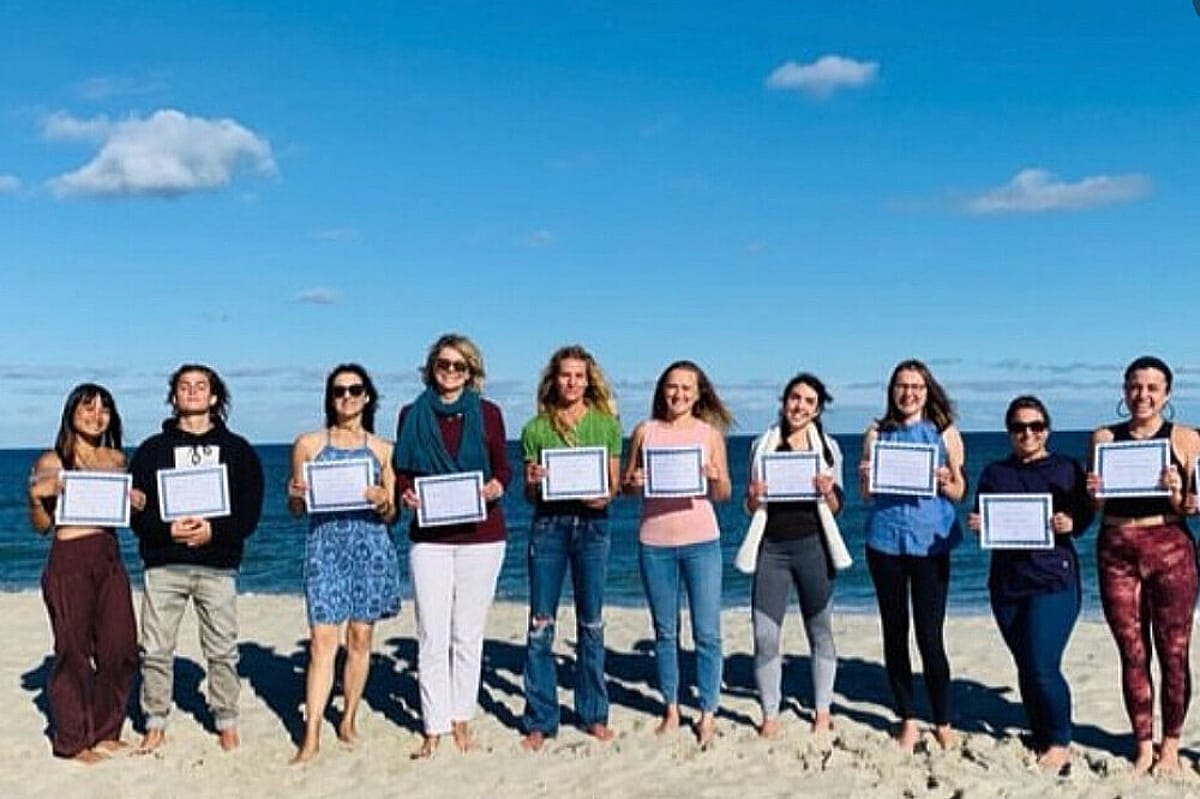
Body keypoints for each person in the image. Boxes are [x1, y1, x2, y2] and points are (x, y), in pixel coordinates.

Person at [129, 364, 265, 752]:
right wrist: (166, 530)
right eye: (184, 386)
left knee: (222, 649)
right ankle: (155, 720)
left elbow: (249, 511)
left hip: (217, 565)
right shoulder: (151, 451)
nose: (192, 391)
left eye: (200, 386)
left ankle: (226, 719)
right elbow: (136, 512)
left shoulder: (238, 450)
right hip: (164, 563)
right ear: (174, 397)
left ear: (214, 396)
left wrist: (214, 532)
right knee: (156, 649)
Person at [394, 334, 512, 759]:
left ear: (471, 371)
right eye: (443, 364)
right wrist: (405, 494)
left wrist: (496, 486)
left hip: (482, 536)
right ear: (431, 368)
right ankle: (434, 726)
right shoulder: (411, 414)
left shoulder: (489, 413)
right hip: (430, 539)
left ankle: (461, 718)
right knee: (431, 635)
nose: (450, 372)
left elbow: (503, 469)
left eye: (459, 366)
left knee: (467, 634)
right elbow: (402, 470)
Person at [966, 396, 1092, 772]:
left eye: (1036, 426)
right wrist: (979, 524)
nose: (1028, 433)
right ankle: (1039, 732)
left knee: (1042, 664)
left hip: (1053, 579)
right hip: (1006, 582)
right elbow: (984, 516)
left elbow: (1085, 514)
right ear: (1009, 432)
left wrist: (1072, 522)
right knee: (1025, 663)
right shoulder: (995, 472)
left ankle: (1060, 740)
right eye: (1019, 427)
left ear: (1047, 430)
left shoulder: (1067, 468)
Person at [1088, 356, 1200, 775]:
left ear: (1167, 394)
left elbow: (1192, 506)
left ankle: (1170, 744)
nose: (1143, 395)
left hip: (1169, 545)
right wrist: (1093, 493)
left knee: (1174, 652)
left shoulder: (1186, 437)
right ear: (1124, 390)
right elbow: (1096, 506)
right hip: (1116, 547)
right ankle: (1142, 745)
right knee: (1132, 653)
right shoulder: (1103, 437)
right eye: (1135, 386)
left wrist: (1179, 492)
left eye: (1153, 388)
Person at [286, 364, 402, 763]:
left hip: (370, 548)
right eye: (339, 391)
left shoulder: (384, 449)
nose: (347, 397)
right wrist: (295, 495)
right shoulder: (308, 444)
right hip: (325, 548)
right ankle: (312, 733)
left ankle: (349, 717)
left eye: (354, 390)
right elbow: (297, 509)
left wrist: (384, 502)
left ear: (367, 397)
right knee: (322, 642)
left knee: (360, 638)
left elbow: (392, 514)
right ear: (329, 398)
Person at [623, 360, 732, 748]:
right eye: (672, 386)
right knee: (665, 631)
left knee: (707, 632)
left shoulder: (709, 434)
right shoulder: (645, 431)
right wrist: (634, 481)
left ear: (698, 393)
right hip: (654, 543)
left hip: (702, 541)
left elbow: (724, 493)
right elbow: (627, 487)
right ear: (662, 390)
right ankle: (671, 708)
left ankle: (708, 712)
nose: (679, 394)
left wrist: (715, 479)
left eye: (687, 388)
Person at [27, 384, 139, 763]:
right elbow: (41, 526)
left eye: (104, 409)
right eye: (88, 407)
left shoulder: (117, 459)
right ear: (71, 413)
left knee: (121, 648)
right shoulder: (53, 460)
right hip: (70, 560)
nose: (96, 415)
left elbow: (120, 512)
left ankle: (106, 730)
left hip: (109, 557)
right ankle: (73, 741)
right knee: (72, 653)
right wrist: (37, 497)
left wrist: (135, 502)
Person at [518, 345, 622, 751]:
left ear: (588, 380)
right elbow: (529, 494)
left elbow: (613, 484)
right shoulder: (535, 429)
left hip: (593, 526)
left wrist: (604, 496)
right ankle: (540, 719)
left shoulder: (606, 425)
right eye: (565, 375)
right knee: (540, 623)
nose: (572, 382)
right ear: (554, 379)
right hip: (549, 526)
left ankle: (593, 713)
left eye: (579, 375)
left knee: (591, 622)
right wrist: (533, 481)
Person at [859, 359, 965, 751]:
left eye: (916, 387)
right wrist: (865, 478)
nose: (909, 393)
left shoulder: (945, 433)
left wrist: (945, 481)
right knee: (894, 632)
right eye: (902, 386)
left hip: (930, 543)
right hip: (885, 542)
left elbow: (959, 491)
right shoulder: (876, 433)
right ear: (892, 391)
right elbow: (867, 496)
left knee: (930, 636)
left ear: (927, 390)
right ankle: (907, 717)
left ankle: (943, 720)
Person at [743, 373, 843, 738]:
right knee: (765, 635)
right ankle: (770, 714)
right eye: (795, 398)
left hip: (813, 547)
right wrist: (753, 496)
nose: (800, 406)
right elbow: (749, 506)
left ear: (817, 410)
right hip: (772, 549)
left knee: (820, 631)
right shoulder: (762, 445)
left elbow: (837, 507)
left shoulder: (829, 449)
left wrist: (827, 490)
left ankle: (822, 711)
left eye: (809, 401)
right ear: (785, 401)